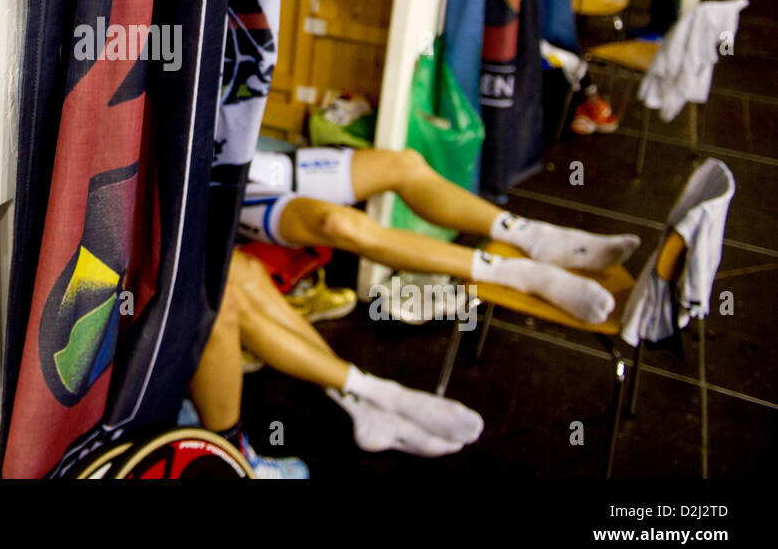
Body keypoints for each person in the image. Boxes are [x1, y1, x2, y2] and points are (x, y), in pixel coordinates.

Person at [188, 146, 640, 476]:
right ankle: (377, 396)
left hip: (248, 157)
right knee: (333, 226)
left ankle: (535, 239)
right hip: (202, 183)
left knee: (402, 164)